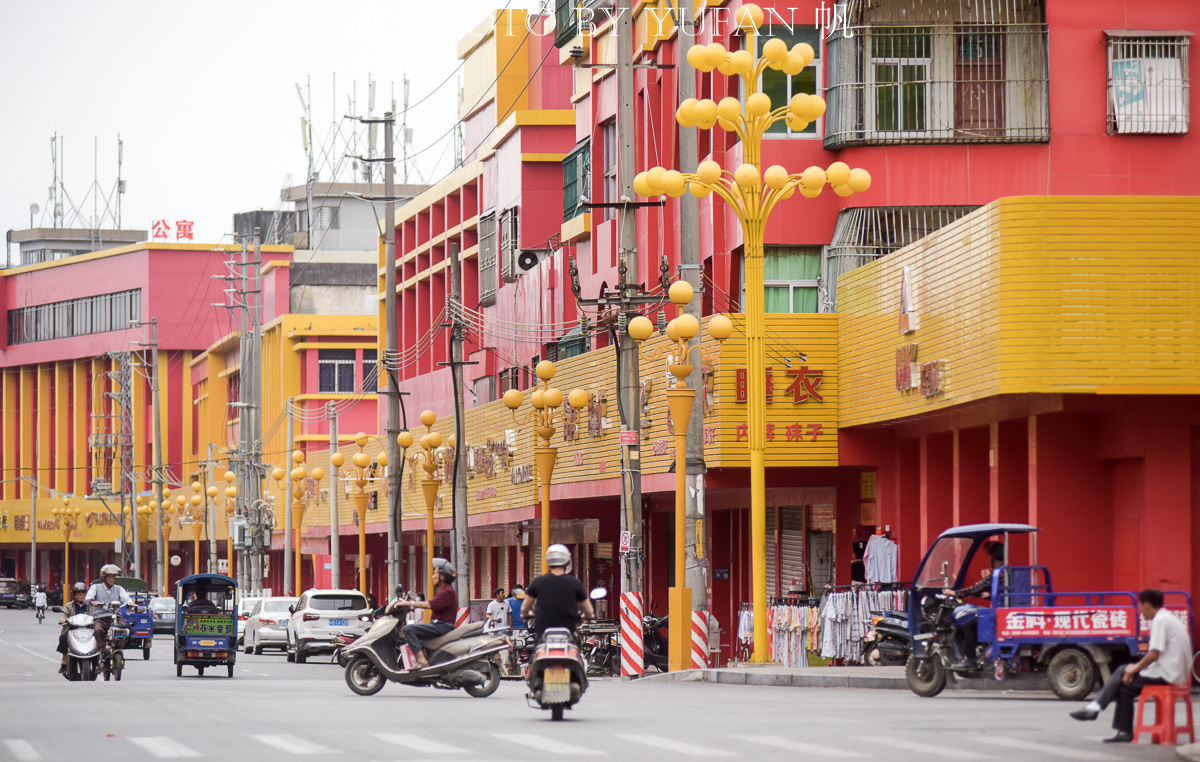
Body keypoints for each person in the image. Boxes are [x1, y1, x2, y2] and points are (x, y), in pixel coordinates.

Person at [1070, 589, 1193, 743]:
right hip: (1174, 673)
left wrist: (1134, 669)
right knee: (1124, 685)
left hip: (1167, 674)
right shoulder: (1168, 618)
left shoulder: (1160, 620)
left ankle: (1096, 708)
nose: (1139, 610)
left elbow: (1154, 653)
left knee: (1123, 671)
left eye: (1140, 606)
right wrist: (1134, 669)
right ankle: (1115, 725)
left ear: (1147, 605)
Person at [944, 542, 1003, 670]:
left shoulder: (997, 573)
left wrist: (956, 592)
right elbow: (1005, 591)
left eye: (989, 556)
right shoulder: (1009, 571)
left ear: (993, 557)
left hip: (1000, 613)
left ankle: (970, 660)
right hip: (1007, 610)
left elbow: (977, 587)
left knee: (970, 625)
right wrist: (989, 595)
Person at [522, 544, 594, 642]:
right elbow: (589, 611)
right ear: (567, 561)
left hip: (544, 635)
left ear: (548, 561)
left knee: (536, 655)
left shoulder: (538, 582)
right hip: (568, 635)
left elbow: (524, 608)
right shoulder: (575, 583)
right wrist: (587, 616)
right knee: (578, 655)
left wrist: (526, 614)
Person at [401, 559, 458, 668]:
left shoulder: (447, 591)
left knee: (408, 629)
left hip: (442, 626)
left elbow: (428, 605)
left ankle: (422, 660)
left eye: (435, 573)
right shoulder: (444, 590)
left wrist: (406, 603)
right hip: (439, 625)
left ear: (442, 576)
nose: (432, 576)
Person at [85, 564, 133, 645]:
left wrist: (131, 603)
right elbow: (88, 598)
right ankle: (102, 648)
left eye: (113, 577)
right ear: (104, 578)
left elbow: (126, 598)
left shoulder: (119, 588)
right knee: (98, 630)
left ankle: (119, 649)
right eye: (109, 577)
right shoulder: (95, 587)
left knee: (125, 629)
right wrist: (93, 602)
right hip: (100, 617)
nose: (111, 579)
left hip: (116, 616)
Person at [57, 582, 89, 674]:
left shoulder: (90, 605)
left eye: (83, 593)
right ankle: (65, 663)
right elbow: (63, 614)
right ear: (74, 594)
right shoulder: (69, 605)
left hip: (88, 630)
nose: (80, 595)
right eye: (78, 593)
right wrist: (63, 620)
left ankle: (100, 659)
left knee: (99, 636)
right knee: (63, 637)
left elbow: (95, 615)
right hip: (72, 630)